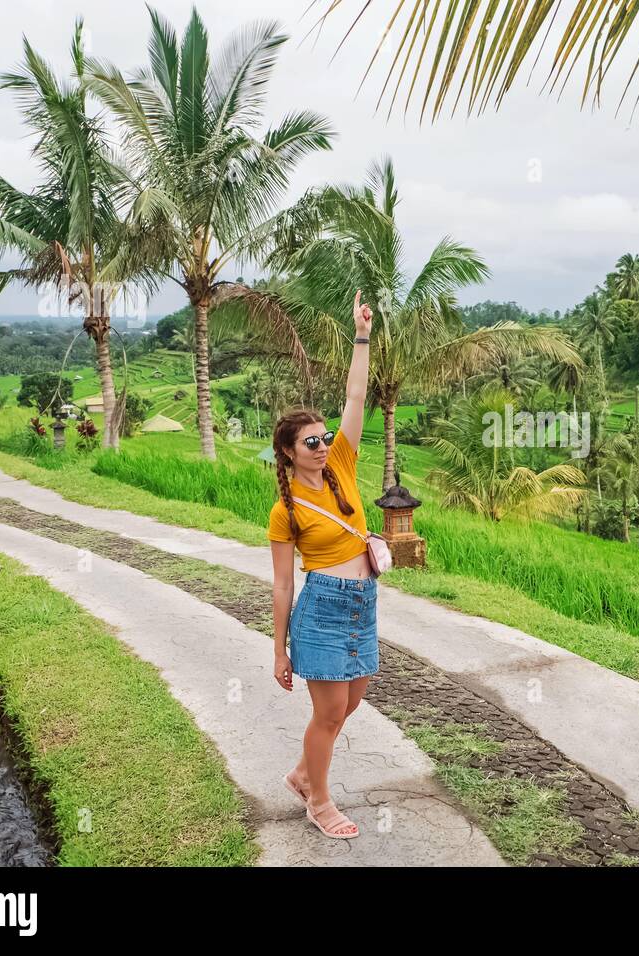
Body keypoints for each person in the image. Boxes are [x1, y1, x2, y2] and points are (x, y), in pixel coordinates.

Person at [267, 290, 375, 839]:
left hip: (363, 603)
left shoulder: (342, 466)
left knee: (351, 701)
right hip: (323, 609)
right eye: (310, 441)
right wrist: (279, 647)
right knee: (329, 712)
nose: (320, 444)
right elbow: (283, 586)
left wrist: (361, 335)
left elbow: (355, 397)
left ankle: (301, 774)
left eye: (323, 437)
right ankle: (320, 801)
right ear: (287, 451)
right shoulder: (283, 511)